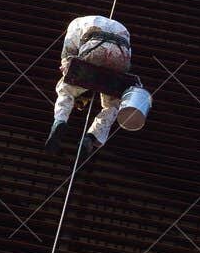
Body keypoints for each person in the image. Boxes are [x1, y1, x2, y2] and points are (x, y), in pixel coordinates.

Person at [46, 15, 135, 159]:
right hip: (121, 54)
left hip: (96, 46)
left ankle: (60, 120)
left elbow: (67, 62)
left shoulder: (74, 23)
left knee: (65, 88)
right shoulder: (88, 22)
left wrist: (69, 69)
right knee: (112, 104)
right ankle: (92, 136)